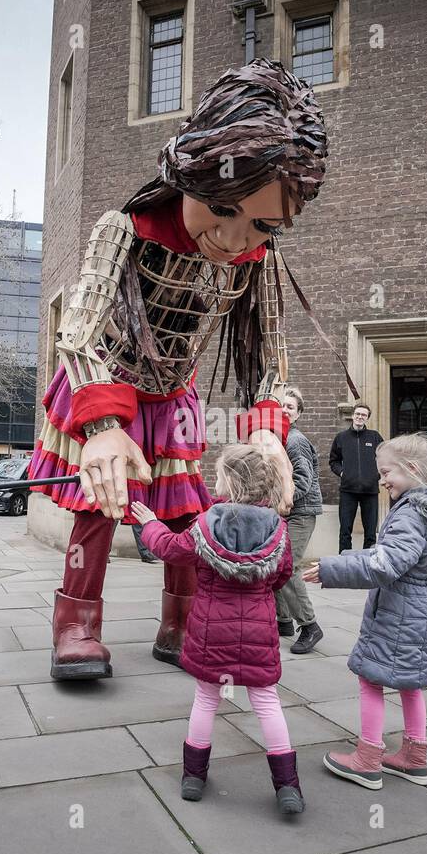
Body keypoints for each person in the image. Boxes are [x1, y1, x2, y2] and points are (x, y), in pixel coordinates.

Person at [26, 59, 344, 681]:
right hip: (108, 384)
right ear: (192, 171)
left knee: (183, 515)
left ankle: (182, 622)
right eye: (222, 207)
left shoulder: (255, 260)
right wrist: (103, 428)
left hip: (175, 396)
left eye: (261, 223)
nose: (232, 236)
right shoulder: (123, 230)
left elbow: (268, 358)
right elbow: (79, 330)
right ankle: (76, 623)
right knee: (100, 505)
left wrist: (266, 430)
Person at [133, 444, 303, 815]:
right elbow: (283, 575)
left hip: (211, 632)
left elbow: (171, 549)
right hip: (259, 632)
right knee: (268, 705)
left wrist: (150, 524)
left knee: (206, 700)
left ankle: (194, 777)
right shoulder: (278, 528)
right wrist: (257, 592)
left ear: (229, 483)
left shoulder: (205, 524)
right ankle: (287, 785)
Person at [304, 435, 427, 790]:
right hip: (419, 614)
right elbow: (386, 557)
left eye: (386, 472)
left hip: (397, 615)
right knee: (410, 684)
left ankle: (368, 758)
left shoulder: (410, 514)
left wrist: (331, 570)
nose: (381, 480)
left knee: (370, 678)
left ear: (411, 469)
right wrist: (345, 561)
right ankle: (415, 758)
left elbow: (385, 565)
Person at [276, 386, 325, 654]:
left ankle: (309, 626)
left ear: (298, 414)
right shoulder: (278, 439)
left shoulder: (294, 441)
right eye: (281, 405)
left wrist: (283, 502)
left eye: (290, 407)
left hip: (300, 512)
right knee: (276, 565)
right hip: (285, 511)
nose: (285, 410)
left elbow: (303, 481)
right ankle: (283, 621)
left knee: (289, 567)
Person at [329, 404, 382, 552]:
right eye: (358, 414)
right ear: (353, 415)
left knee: (371, 533)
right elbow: (334, 461)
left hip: (370, 491)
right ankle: (344, 562)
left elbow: (386, 458)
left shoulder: (375, 437)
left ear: (367, 418)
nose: (360, 417)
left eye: (363, 415)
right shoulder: (341, 438)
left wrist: (376, 475)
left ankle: (368, 562)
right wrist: (342, 473)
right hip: (348, 491)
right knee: (345, 531)